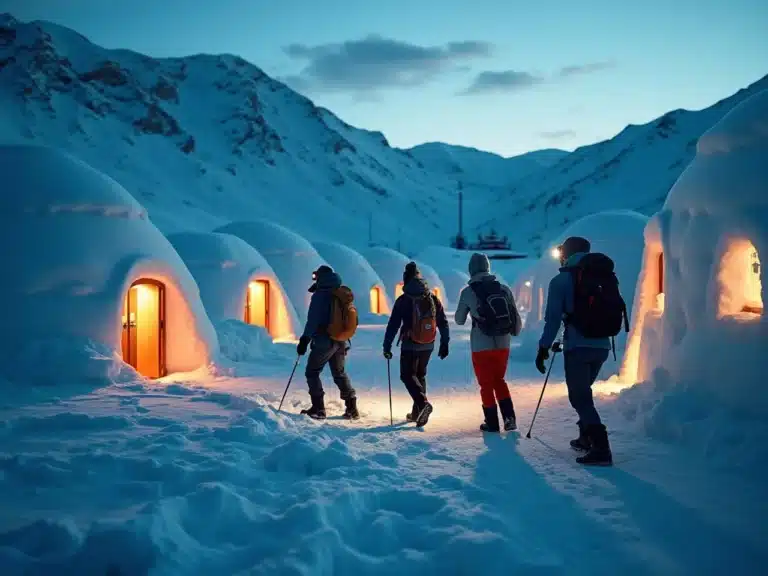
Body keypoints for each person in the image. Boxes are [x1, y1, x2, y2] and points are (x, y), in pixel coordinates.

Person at [536, 236, 613, 465]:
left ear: (566, 253)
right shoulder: (604, 277)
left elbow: (552, 320)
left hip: (578, 347)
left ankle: (601, 448)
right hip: (602, 345)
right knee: (584, 392)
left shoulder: (561, 281)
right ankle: (585, 437)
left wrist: (543, 348)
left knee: (579, 397)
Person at [455, 253, 522, 433]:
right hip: (503, 343)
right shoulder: (504, 289)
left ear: (471, 270)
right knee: (499, 380)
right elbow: (515, 316)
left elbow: (459, 320)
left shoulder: (468, 292)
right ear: (487, 268)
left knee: (486, 384)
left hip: (480, 344)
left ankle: (491, 422)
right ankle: (509, 418)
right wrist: (514, 332)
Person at [382, 262, 449, 427]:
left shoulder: (404, 300)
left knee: (407, 375)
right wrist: (444, 342)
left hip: (410, 343)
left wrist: (387, 345)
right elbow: (442, 321)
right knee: (420, 376)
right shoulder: (431, 297)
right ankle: (417, 412)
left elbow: (393, 324)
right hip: (428, 343)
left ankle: (423, 403)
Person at [297, 265, 359, 420]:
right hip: (340, 339)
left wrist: (305, 339)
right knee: (339, 373)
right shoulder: (340, 292)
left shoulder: (320, 295)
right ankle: (352, 408)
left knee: (312, 372)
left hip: (324, 340)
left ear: (320, 277)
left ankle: (318, 409)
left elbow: (313, 320)